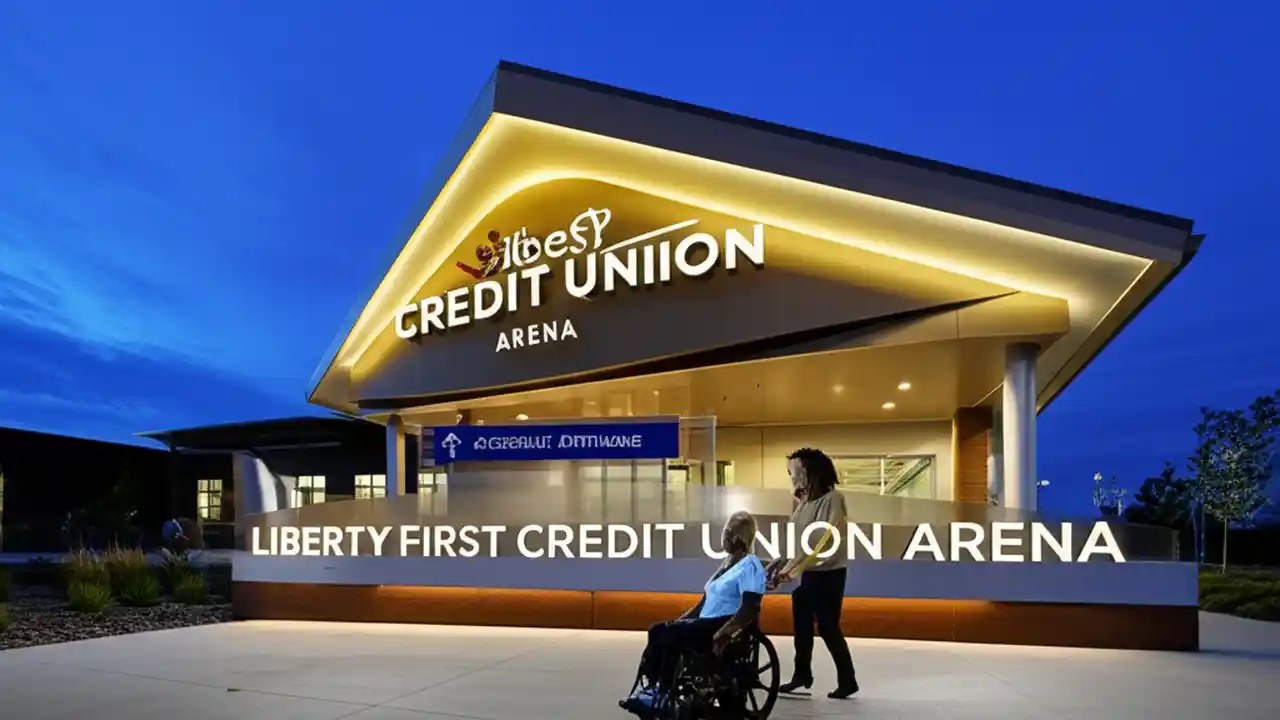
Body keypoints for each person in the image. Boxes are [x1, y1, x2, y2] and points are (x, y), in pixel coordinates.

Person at [621, 511, 767, 715]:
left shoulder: (750, 564)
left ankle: (662, 695)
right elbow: (703, 603)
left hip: (722, 624)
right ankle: (651, 688)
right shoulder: (726, 565)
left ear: (741, 537)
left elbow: (750, 607)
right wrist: (679, 621)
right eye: (726, 530)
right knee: (658, 630)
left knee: (673, 634)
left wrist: (726, 632)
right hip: (705, 622)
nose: (725, 535)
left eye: (730, 532)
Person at [766, 447, 859, 699]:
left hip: (829, 573)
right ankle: (802, 674)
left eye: (795, 472)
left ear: (810, 472)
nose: (792, 477)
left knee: (828, 626)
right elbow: (796, 541)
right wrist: (779, 563)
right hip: (809, 574)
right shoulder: (803, 504)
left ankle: (846, 680)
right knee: (803, 622)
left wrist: (794, 568)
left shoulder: (833, 500)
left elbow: (825, 539)